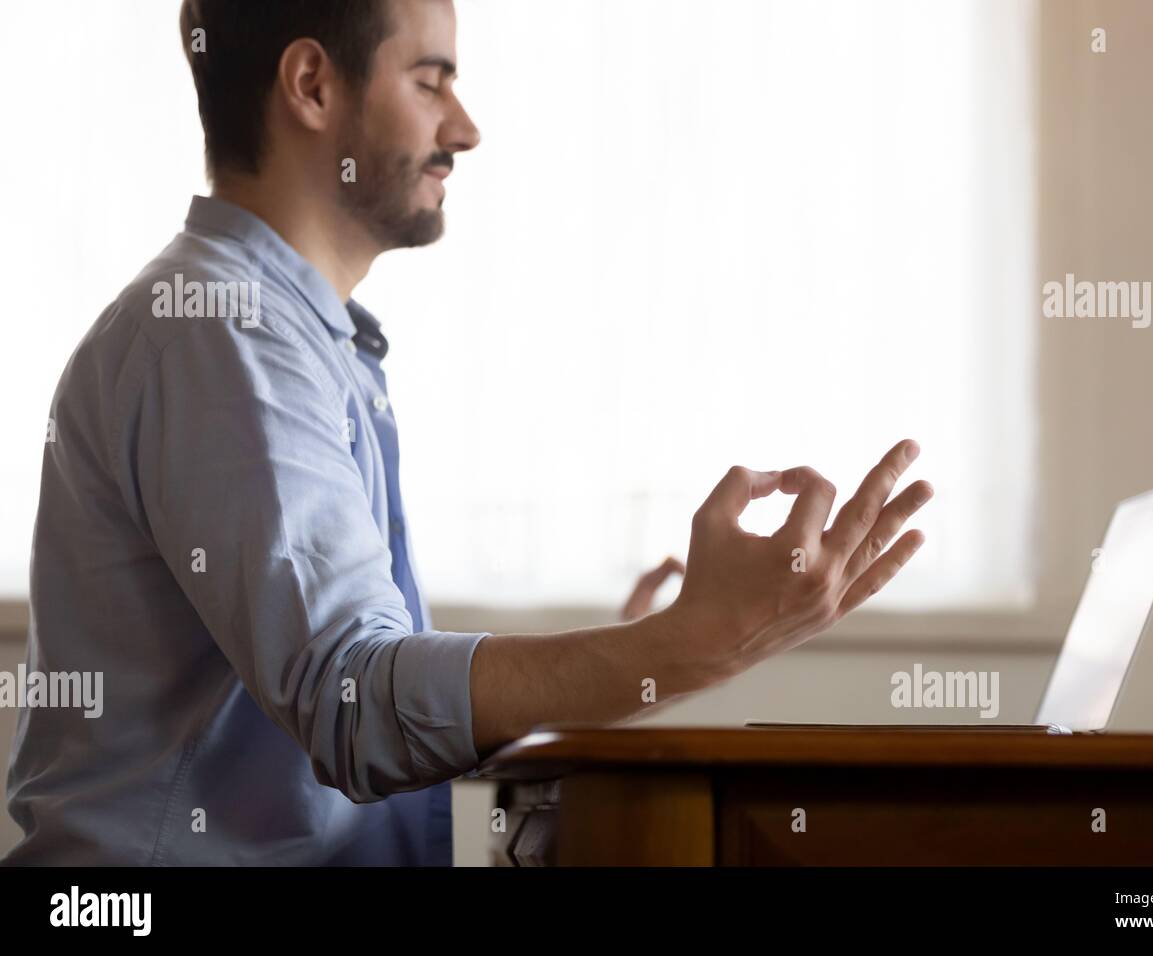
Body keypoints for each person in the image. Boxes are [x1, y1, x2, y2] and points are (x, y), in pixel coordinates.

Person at [4, 0, 932, 865]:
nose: (464, 128)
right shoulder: (223, 329)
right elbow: (356, 703)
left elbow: (368, 700)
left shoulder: (288, 336)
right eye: (431, 80)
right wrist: (684, 644)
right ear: (313, 87)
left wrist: (645, 659)